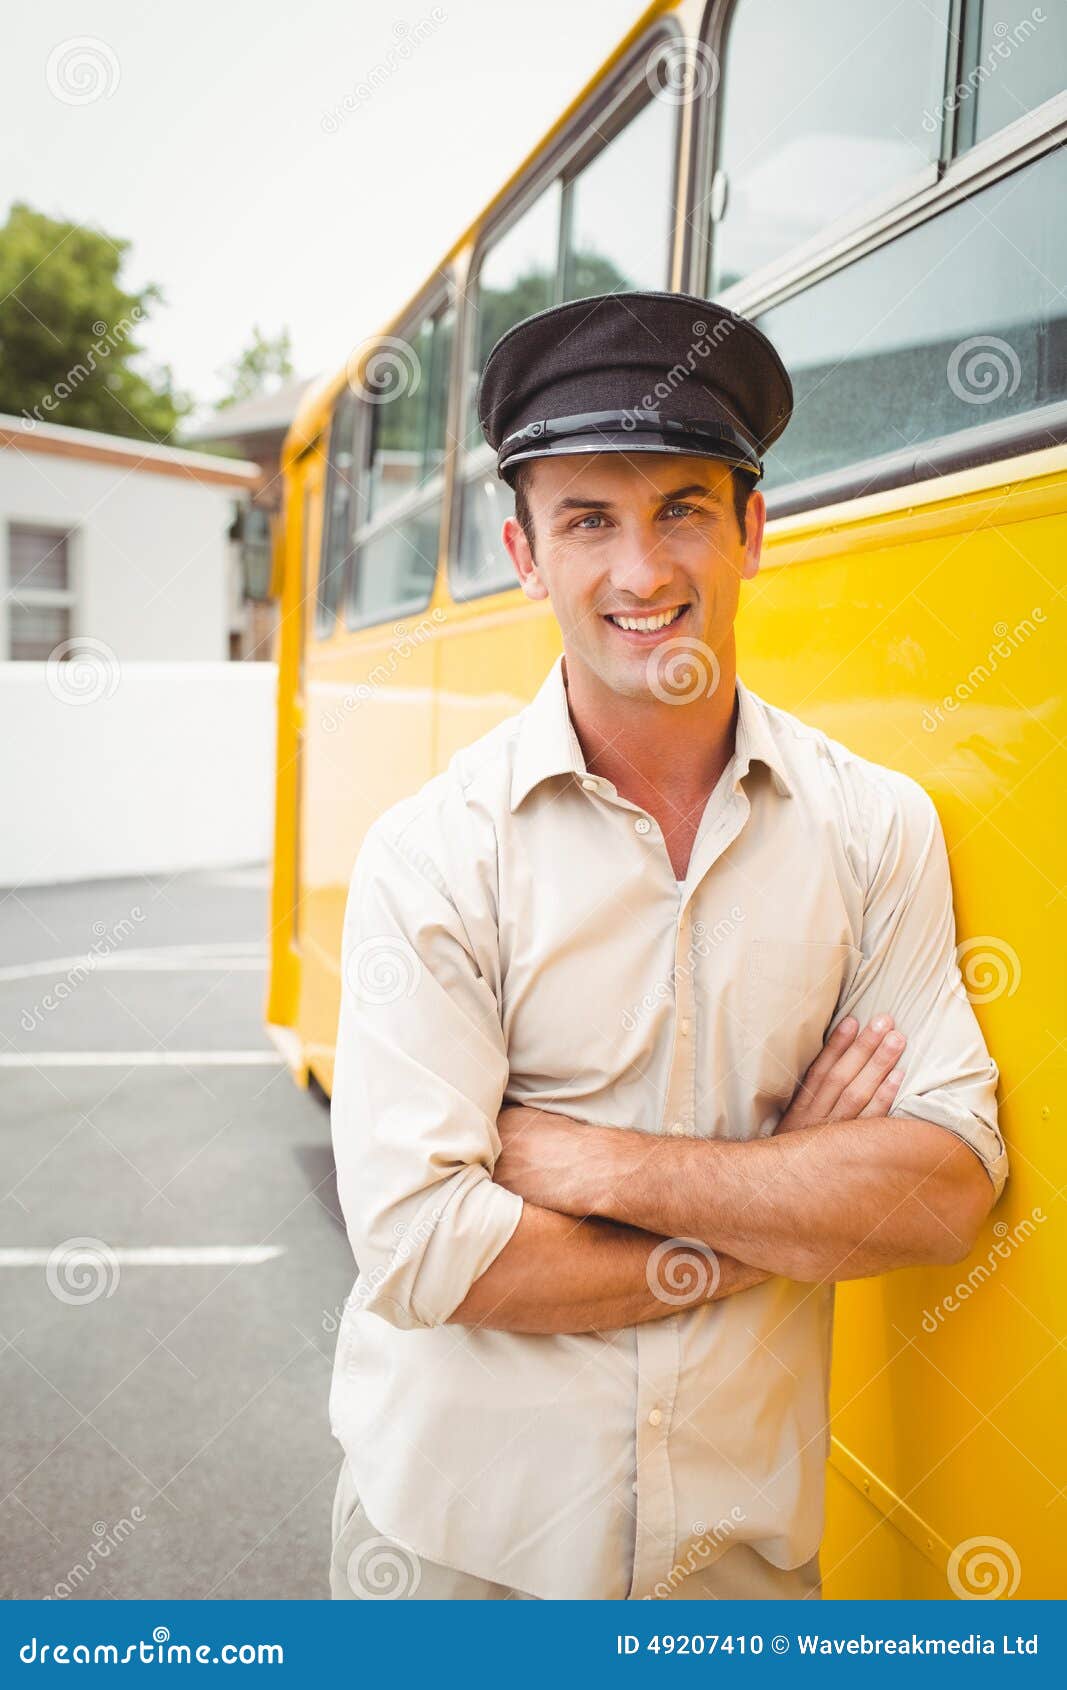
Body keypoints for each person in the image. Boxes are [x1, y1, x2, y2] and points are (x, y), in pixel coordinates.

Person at [327, 291, 1008, 1601]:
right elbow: (424, 1251)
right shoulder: (436, 852)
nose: (642, 574)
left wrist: (592, 1162)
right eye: (591, 519)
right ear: (525, 552)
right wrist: (795, 1198)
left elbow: (943, 1188)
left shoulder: (876, 828)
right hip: (458, 1565)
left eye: (683, 509)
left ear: (753, 528)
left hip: (737, 1577)